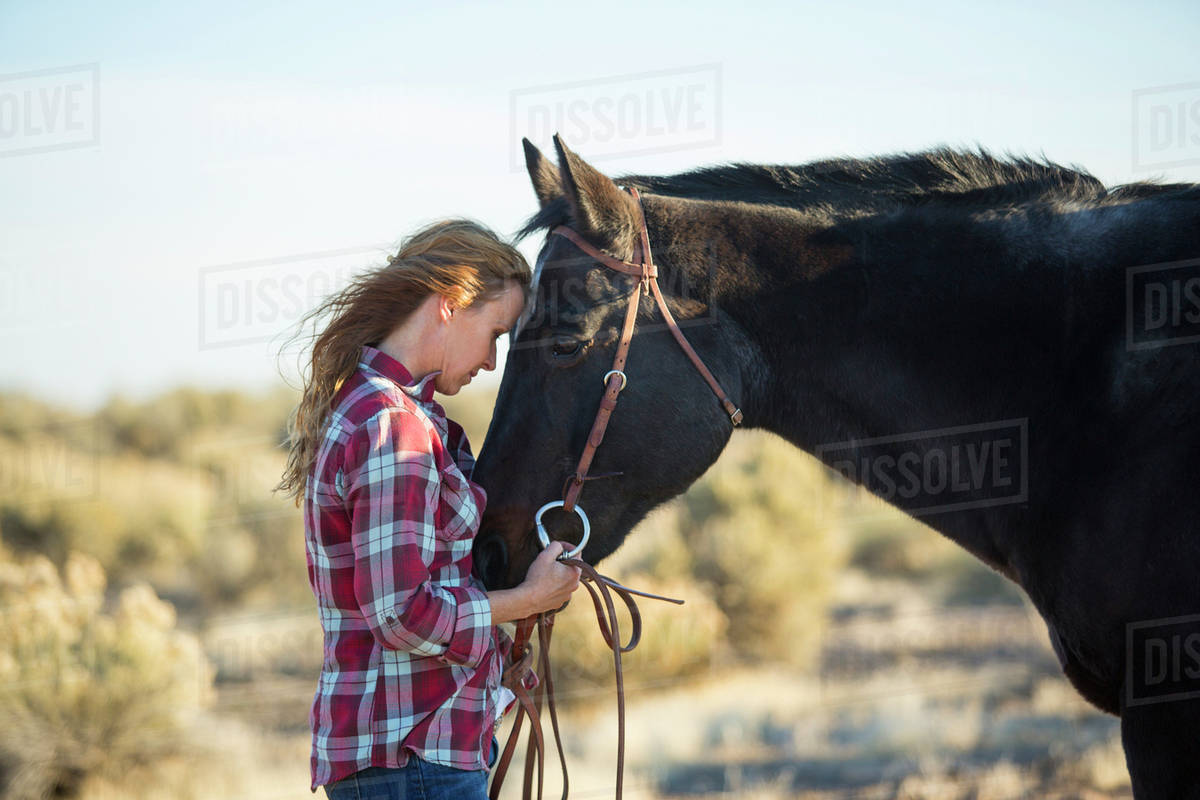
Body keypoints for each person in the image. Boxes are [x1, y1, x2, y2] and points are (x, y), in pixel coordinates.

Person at [277, 219, 582, 799]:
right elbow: (400, 614)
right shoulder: (395, 426)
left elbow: (422, 590)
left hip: (410, 752)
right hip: (412, 761)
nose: (493, 361)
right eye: (494, 332)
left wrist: (490, 666)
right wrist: (526, 601)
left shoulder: (382, 411)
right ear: (449, 305)